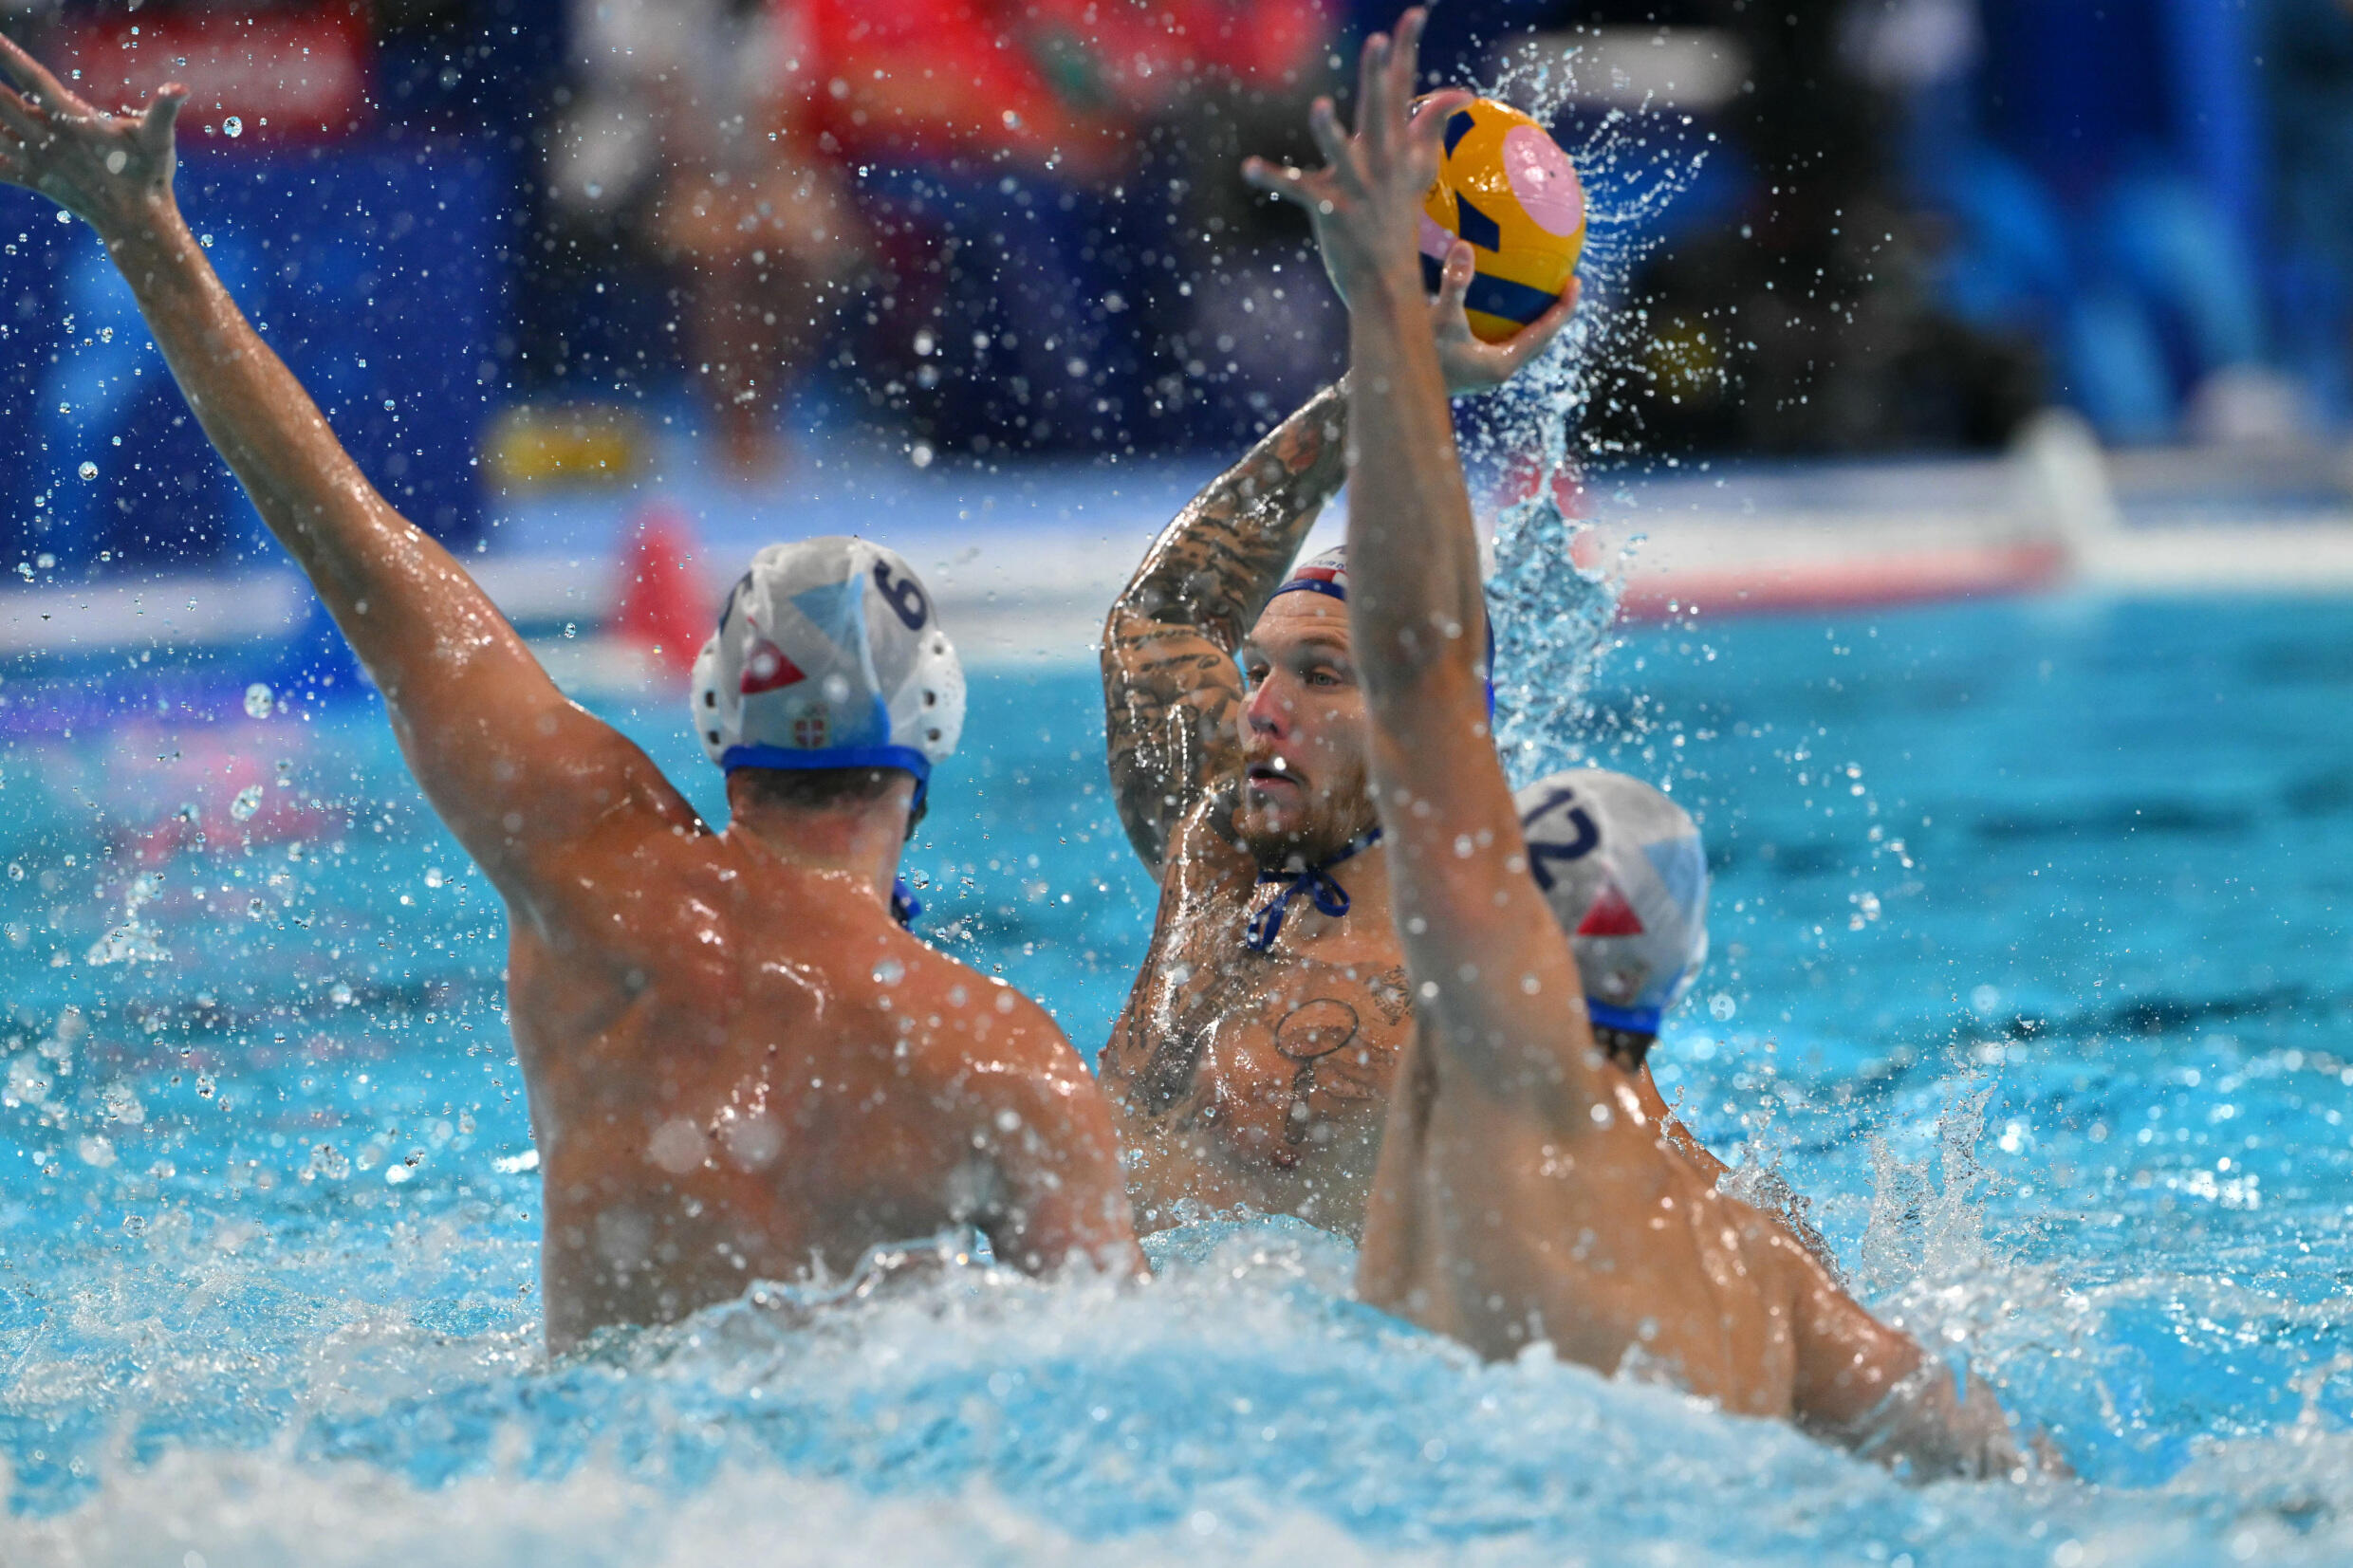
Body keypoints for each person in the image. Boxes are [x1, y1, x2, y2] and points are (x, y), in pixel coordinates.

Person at [0, 38, 1141, 1354]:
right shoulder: (1006, 1064)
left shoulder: (592, 870)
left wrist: (149, 236)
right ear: (932, 734)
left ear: (719, 719)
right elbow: (1118, 1392)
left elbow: (358, 551)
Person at [1248, 9, 2025, 1476]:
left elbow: (1420, 670)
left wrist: (1389, 326)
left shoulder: (1495, 1082)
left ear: (1506, 937)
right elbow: (2015, 1482)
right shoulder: (1770, 1269)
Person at [1095, 98, 1733, 1245]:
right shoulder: (1219, 850)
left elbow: (1699, 1231)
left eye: (1322, 678)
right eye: (1261, 671)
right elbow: (1161, 614)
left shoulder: (1470, 1014)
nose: (1261, 710)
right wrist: (1379, 390)